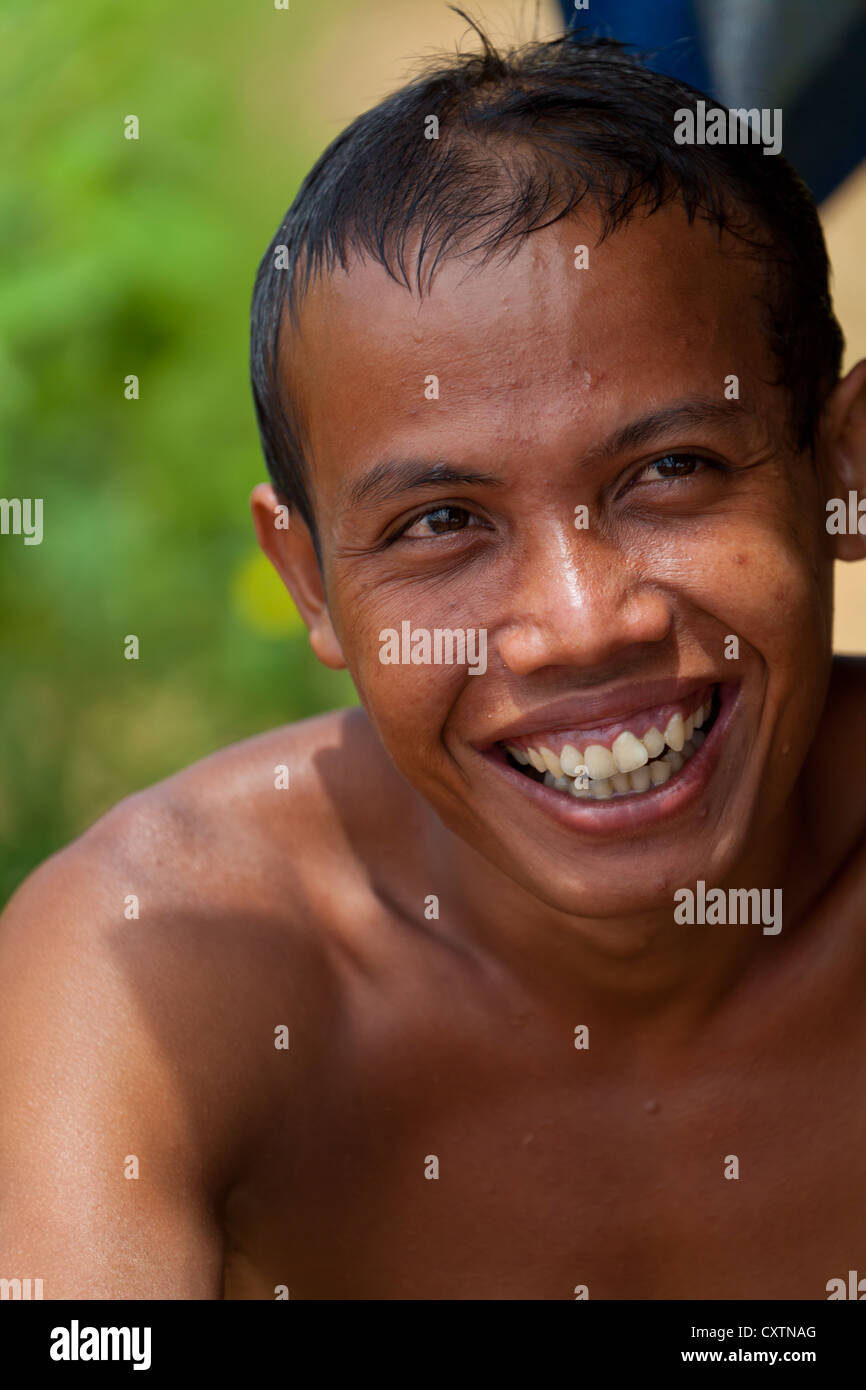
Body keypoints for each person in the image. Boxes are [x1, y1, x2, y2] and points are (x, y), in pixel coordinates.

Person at [2, 26, 865, 1300]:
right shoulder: (167, 958)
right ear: (308, 582)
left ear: (842, 470)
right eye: (441, 525)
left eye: (670, 472)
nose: (578, 623)